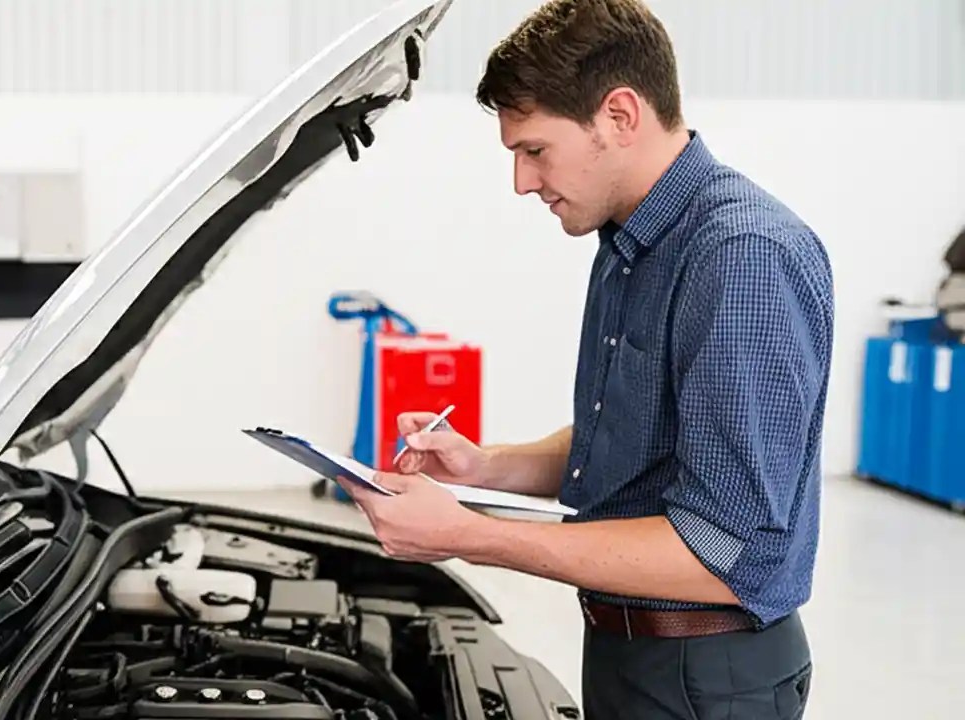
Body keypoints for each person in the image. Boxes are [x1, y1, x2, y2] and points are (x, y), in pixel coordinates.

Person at [336, 0, 833, 718]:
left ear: (621, 116)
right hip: (630, 652)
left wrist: (468, 536)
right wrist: (488, 467)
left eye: (534, 150)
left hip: (703, 675)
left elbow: (722, 553)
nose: (522, 181)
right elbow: (639, 434)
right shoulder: (630, 242)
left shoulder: (741, 259)